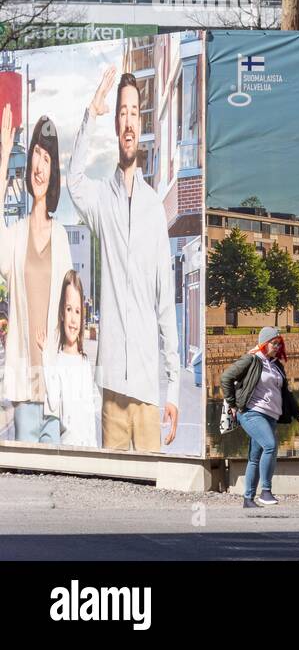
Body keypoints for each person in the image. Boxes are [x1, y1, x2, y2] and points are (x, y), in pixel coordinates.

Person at [68, 66, 180, 452]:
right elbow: (73, 181)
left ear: (141, 122)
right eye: (122, 113)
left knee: (153, 502)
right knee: (112, 501)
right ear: (116, 123)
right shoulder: (100, 200)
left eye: (134, 112)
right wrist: (92, 111)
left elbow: (165, 302)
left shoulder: (154, 208)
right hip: (112, 389)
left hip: (150, 393)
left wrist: (175, 390)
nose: (128, 121)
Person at [0, 106, 72, 444]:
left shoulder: (60, 237)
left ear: (53, 169)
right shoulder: (14, 235)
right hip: (24, 390)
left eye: (47, 158)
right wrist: (3, 158)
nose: (40, 166)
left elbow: (71, 307)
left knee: (58, 485)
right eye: (36, 156)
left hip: (55, 387)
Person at [220, 328, 299, 509]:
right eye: (274, 343)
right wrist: (232, 404)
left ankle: (248, 499)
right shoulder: (252, 359)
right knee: (270, 445)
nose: (277, 347)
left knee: (255, 457)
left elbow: (286, 393)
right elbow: (226, 377)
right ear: (264, 343)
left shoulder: (277, 365)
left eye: (279, 344)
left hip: (270, 415)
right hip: (251, 412)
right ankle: (266, 491)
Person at [43, 270, 100, 448]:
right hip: (68, 449)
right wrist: (45, 357)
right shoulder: (56, 362)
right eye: (69, 310)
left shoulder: (85, 362)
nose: (73, 319)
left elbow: (92, 411)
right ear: (61, 313)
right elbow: (52, 401)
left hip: (89, 450)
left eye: (77, 311)